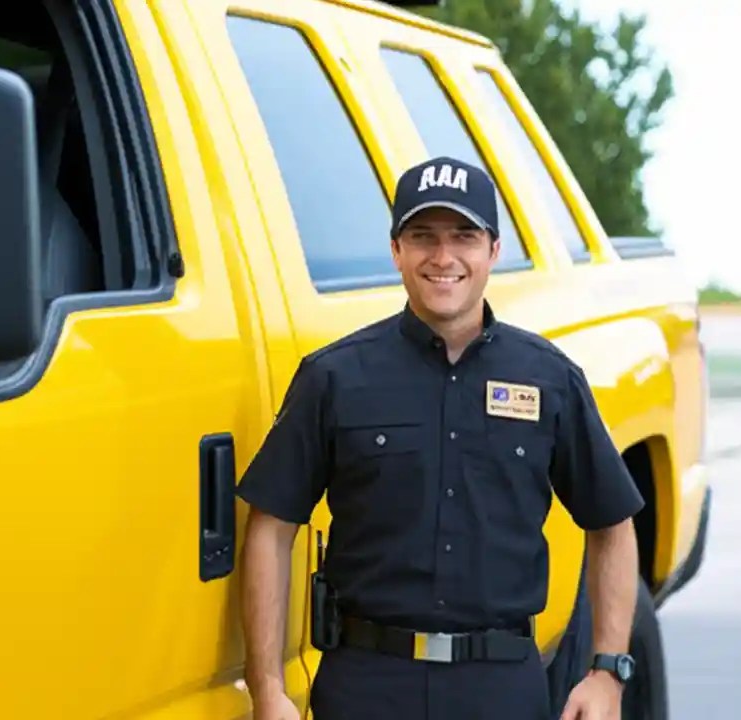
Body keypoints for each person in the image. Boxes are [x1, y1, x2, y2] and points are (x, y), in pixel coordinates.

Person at [235, 155, 645, 720]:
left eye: (464, 237)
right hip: (365, 685)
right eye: (422, 236)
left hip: (500, 688)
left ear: (493, 251)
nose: (444, 257)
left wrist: (608, 670)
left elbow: (612, 523)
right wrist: (268, 691)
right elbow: (270, 528)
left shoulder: (549, 379)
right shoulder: (334, 377)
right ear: (397, 250)